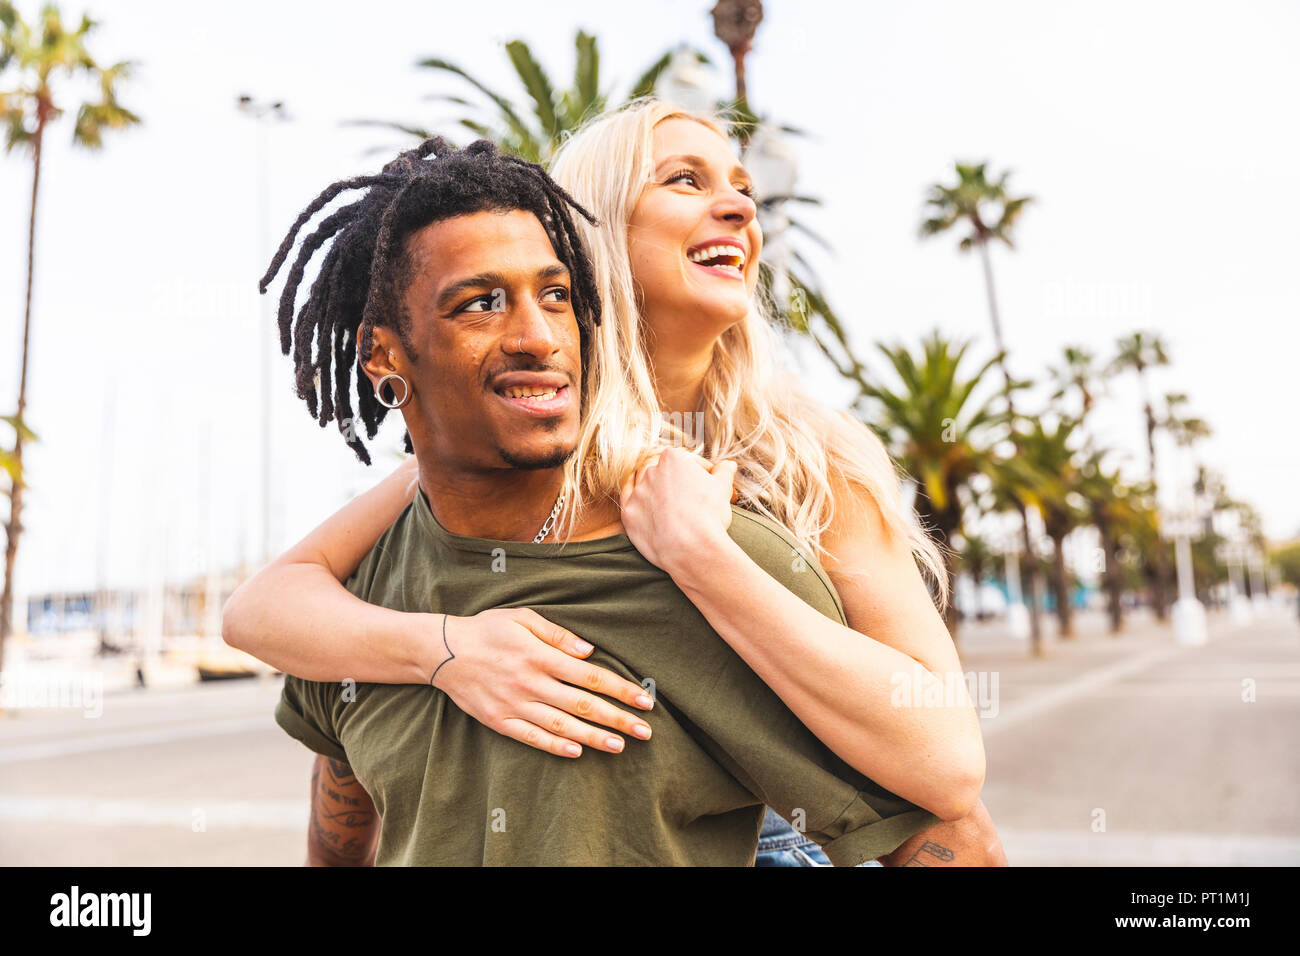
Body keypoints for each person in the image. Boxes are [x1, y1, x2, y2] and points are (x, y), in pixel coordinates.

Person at [227, 98, 1004, 866]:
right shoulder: (526, 451)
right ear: (594, 229)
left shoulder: (810, 459)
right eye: (685, 181)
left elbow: (946, 761)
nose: (737, 205)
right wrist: (447, 649)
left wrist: (702, 558)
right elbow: (271, 605)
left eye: (740, 187)